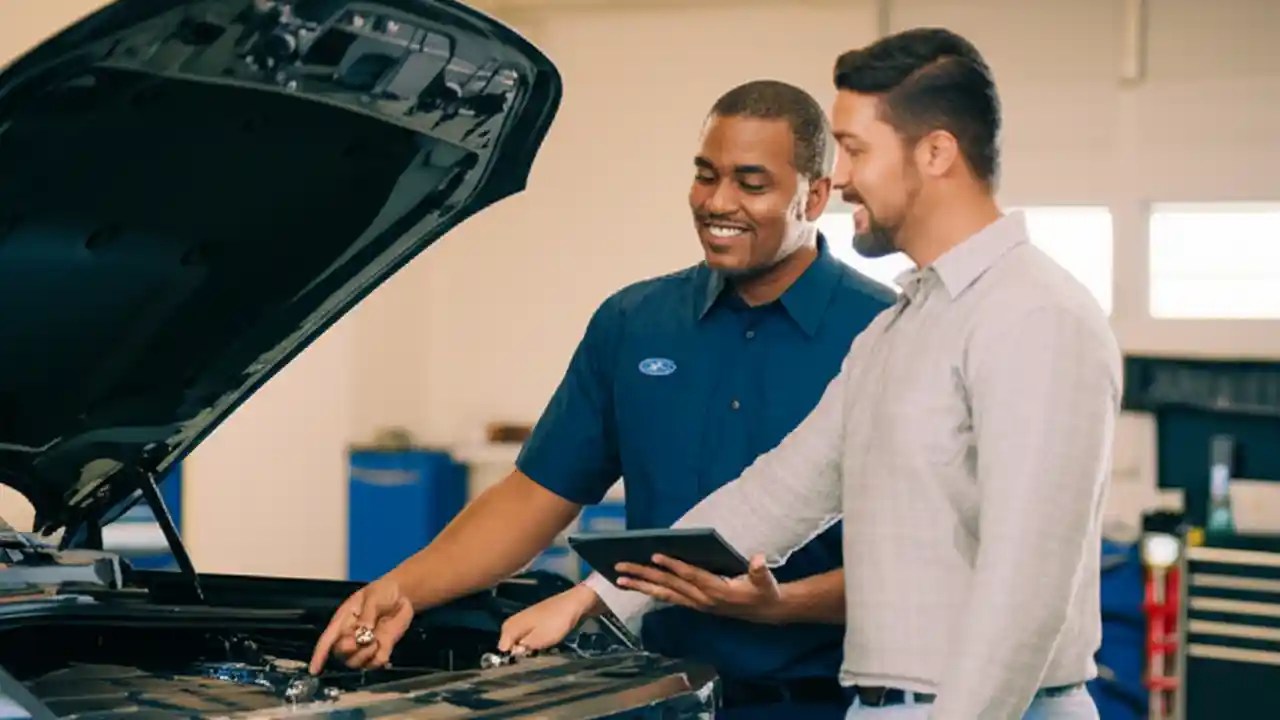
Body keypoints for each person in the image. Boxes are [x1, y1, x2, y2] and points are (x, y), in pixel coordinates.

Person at [497, 28, 1121, 720]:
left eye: (855, 149)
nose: (842, 176)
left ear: (936, 152)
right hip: (890, 704)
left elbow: (1027, 588)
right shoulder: (902, 328)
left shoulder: (1034, 314)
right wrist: (594, 598)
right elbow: (774, 495)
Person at [308, 79, 895, 719]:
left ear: (813, 194)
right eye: (705, 175)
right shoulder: (634, 324)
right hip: (663, 700)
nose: (718, 201)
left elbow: (919, 564)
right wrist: (403, 589)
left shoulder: (884, 333)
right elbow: (535, 496)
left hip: (830, 705)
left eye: (751, 184)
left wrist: (780, 603)